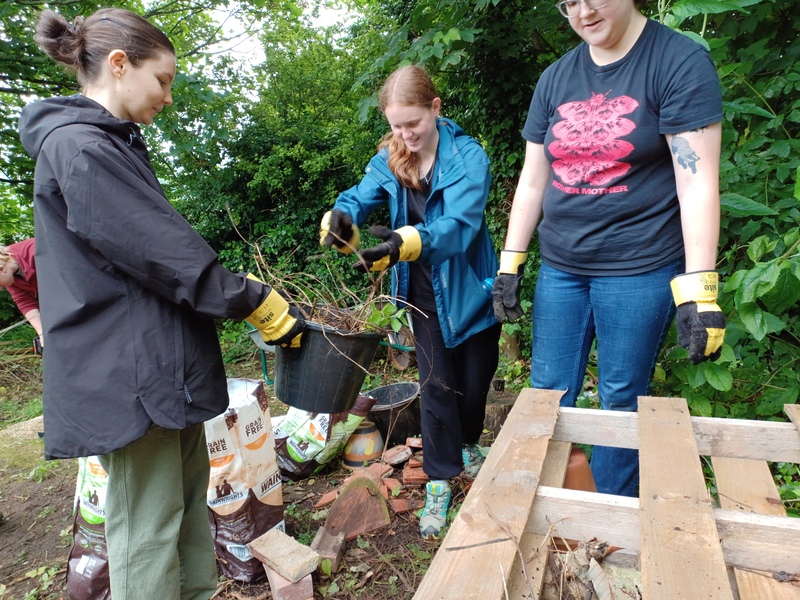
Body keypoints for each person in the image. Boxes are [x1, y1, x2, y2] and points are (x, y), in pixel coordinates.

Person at [18, 8, 304, 600]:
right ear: (119, 65)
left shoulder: (110, 145)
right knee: (147, 528)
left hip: (159, 370)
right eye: (163, 79)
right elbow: (162, 254)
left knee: (181, 511)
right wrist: (248, 297)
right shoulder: (80, 150)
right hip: (131, 375)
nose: (168, 97)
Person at [492, 0, 726, 497]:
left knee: (621, 399)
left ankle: (615, 524)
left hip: (639, 267)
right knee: (547, 393)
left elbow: (697, 182)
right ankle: (551, 508)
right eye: (567, 3)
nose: (582, 10)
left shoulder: (677, 62)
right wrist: (510, 264)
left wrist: (701, 291)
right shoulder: (555, 78)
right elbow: (532, 182)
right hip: (561, 268)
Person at [320, 65, 501, 539]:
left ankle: (467, 443)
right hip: (422, 294)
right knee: (437, 383)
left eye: (413, 123)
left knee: (475, 381)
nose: (405, 134)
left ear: (435, 109)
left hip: (470, 287)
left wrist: (403, 242)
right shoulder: (392, 156)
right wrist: (341, 219)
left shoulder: (468, 158)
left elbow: (460, 226)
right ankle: (441, 478)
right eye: (396, 125)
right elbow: (358, 198)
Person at [0, 238, 43, 349]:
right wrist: (42, 333)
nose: (0, 288)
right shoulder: (11, 279)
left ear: (1, 269)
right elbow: (24, 302)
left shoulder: (35, 250)